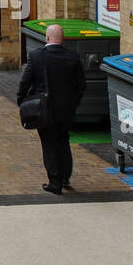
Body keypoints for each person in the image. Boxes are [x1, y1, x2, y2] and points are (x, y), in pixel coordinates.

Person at [17, 23, 86, 195]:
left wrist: (22, 101)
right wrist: (73, 102)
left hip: (44, 109)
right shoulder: (73, 57)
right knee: (63, 141)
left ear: (47, 38)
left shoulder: (36, 56)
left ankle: (54, 182)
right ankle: (65, 176)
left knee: (49, 144)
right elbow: (81, 85)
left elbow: (25, 82)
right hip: (66, 109)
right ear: (62, 39)